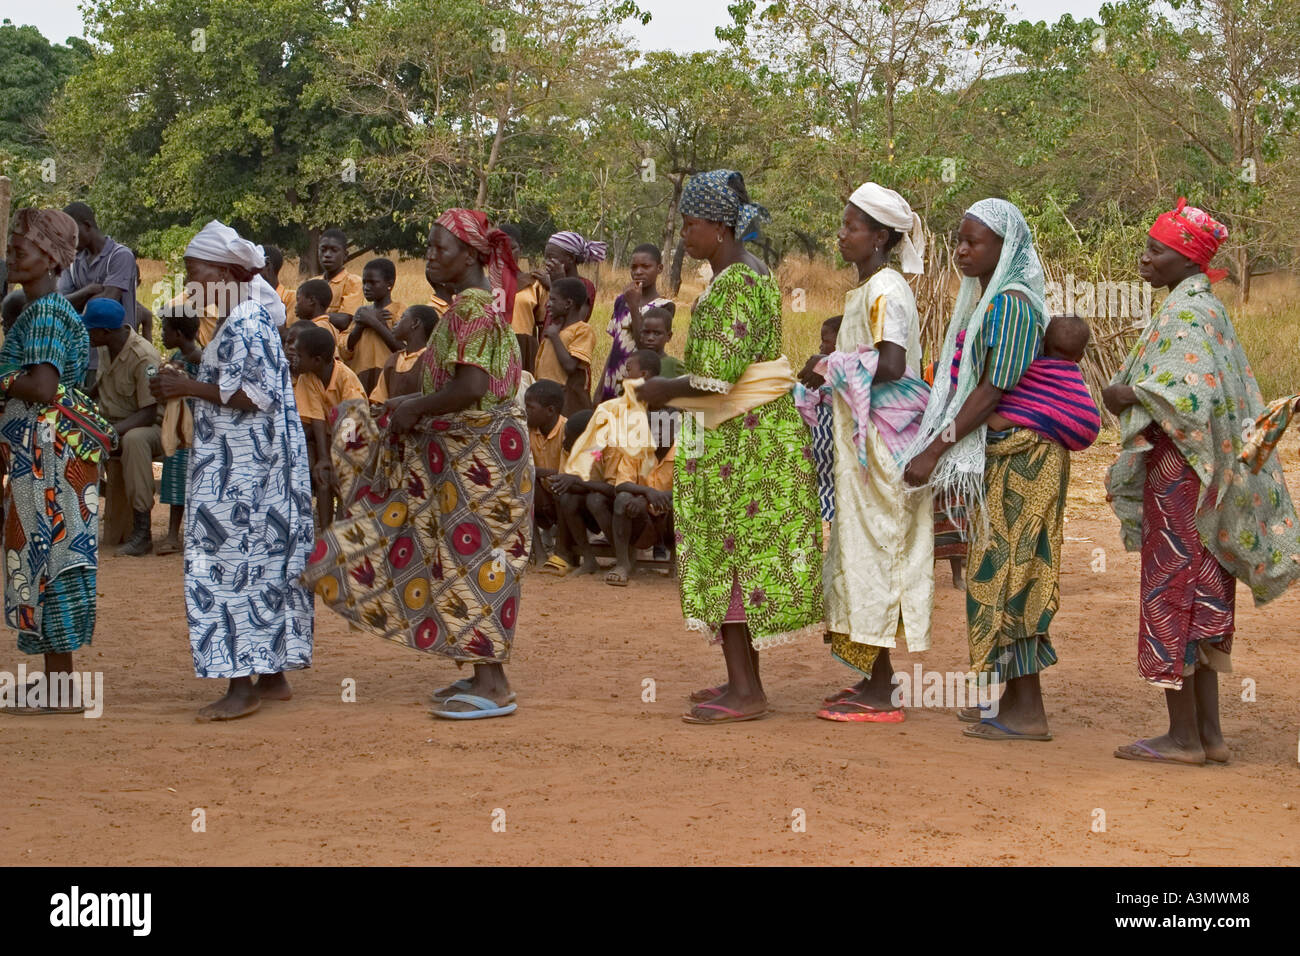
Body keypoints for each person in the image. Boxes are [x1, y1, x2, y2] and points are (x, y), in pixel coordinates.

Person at [302, 208, 530, 721]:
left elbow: (470, 388)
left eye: (440, 248)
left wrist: (414, 408)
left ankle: (494, 687)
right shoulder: (472, 308)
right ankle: (479, 671)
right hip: (477, 456)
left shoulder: (471, 310)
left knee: (475, 559)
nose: (429, 256)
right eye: (429, 246)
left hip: (482, 460)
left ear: (470, 256)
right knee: (462, 557)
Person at [1103, 199, 1300, 765]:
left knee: (1175, 594)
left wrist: (1127, 394)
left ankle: (1183, 739)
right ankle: (1210, 736)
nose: (1146, 258)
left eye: (1157, 250)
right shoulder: (1204, 308)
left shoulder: (1186, 314)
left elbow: (1188, 396)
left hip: (1184, 479)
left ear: (1186, 258)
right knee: (1204, 594)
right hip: (1207, 484)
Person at [636, 169, 823, 725]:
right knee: (732, 555)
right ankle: (742, 679)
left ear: (718, 227)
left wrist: (660, 388)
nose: (684, 235)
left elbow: (714, 378)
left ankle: (746, 691)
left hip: (743, 446)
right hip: (743, 437)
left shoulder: (737, 282)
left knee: (731, 557)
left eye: (691, 225)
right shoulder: (746, 276)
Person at [903, 198, 1058, 742]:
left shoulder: (1011, 306)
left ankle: (1029, 712)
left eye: (975, 242)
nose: (963, 251)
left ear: (1004, 246)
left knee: (1016, 575)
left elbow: (993, 390)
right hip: (1005, 452)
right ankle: (1012, 698)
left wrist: (933, 451)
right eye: (958, 241)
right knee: (998, 570)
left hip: (1026, 456)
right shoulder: (987, 301)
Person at [148, 220, 314, 721]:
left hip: (240, 472)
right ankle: (273, 676)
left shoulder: (244, 320)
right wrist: (196, 377)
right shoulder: (248, 317)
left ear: (223, 270)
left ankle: (240, 687)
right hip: (257, 468)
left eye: (194, 270)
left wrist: (187, 389)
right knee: (266, 562)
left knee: (227, 566)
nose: (190, 280)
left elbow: (253, 395)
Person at [797, 183, 933, 723]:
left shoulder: (886, 290)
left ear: (880, 236)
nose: (842, 234)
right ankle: (875, 679)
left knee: (878, 557)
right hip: (864, 450)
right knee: (859, 557)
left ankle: (883, 693)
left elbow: (894, 365)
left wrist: (826, 366)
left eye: (852, 226)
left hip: (883, 449)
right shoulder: (869, 289)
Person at [0, 208, 100, 714]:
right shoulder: (46, 309)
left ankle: (62, 690)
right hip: (45, 457)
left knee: (50, 561)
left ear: (52, 257)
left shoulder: (43, 314)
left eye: (23, 247)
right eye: (13, 244)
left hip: (48, 461)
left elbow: (41, 388)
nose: (12, 252)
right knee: (45, 561)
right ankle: (54, 683)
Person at [85, 297, 164, 557]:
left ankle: (143, 532)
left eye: (90, 330)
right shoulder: (107, 346)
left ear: (105, 331)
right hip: (115, 422)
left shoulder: (143, 357)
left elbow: (148, 414)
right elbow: (105, 380)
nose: (87, 334)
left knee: (135, 441)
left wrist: (107, 432)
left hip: (151, 427)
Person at [607, 350, 675, 587]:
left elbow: (697, 489)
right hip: (643, 516)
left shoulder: (688, 448)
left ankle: (679, 563)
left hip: (669, 517)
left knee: (687, 503)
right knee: (623, 498)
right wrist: (647, 495)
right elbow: (621, 483)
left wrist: (660, 497)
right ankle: (623, 563)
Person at [983, 314, 1100, 449]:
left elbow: (1015, 391)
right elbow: (1087, 422)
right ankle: (1021, 418)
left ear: (1042, 343)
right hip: (1080, 429)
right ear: (1080, 357)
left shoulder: (1025, 367)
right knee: (1043, 411)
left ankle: (1011, 419)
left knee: (1038, 410)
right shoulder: (1071, 383)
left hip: (1005, 432)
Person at [294, 323, 368, 528]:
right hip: (330, 435)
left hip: (355, 438)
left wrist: (340, 460)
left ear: (316, 360)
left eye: (299, 356)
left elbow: (353, 423)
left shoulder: (346, 378)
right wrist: (324, 459)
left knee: (344, 480)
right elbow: (316, 418)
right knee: (323, 477)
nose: (295, 359)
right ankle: (325, 532)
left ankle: (345, 530)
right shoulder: (307, 377)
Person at [59, 202, 139, 388]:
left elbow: (103, 307)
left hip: (118, 357)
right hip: (79, 358)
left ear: (86, 226)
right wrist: (88, 291)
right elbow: (59, 304)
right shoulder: (72, 261)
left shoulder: (121, 256)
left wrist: (77, 301)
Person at [595, 243, 675, 402]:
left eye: (645, 266)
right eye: (634, 267)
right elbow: (615, 347)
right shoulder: (621, 301)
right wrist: (600, 389)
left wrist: (633, 306)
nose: (638, 272)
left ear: (659, 269)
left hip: (639, 380)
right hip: (614, 377)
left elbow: (645, 345)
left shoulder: (664, 306)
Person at [544, 409, 617, 576]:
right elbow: (568, 480)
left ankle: (623, 558)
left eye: (570, 437)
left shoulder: (611, 447)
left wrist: (577, 481)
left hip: (611, 506)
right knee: (566, 498)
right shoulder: (569, 448)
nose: (565, 441)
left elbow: (614, 489)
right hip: (586, 500)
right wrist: (561, 482)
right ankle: (588, 559)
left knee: (595, 500)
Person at [156, 310, 203, 556]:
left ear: (177, 333)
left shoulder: (198, 357)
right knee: (174, 475)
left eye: (165, 330)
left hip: (197, 429)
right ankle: (173, 534)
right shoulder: (177, 356)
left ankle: (185, 534)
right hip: (179, 428)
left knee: (195, 481)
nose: (162, 335)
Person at [795, 315, 842, 523]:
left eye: (826, 341)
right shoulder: (818, 374)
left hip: (836, 459)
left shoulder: (845, 373)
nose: (821, 346)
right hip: (824, 466)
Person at [344, 257, 405, 394]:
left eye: (373, 283)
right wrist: (360, 325)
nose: (366, 287)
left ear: (390, 284)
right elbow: (345, 348)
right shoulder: (361, 313)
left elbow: (404, 348)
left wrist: (375, 323)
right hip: (360, 379)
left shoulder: (399, 311)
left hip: (388, 378)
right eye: (364, 282)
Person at [536, 276, 595, 416]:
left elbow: (570, 366)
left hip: (566, 400)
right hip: (546, 395)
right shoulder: (555, 329)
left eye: (553, 300)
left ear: (568, 303)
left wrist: (555, 337)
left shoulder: (582, 330)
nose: (547, 304)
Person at [526, 379, 568, 556]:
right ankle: (538, 551)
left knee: (564, 490)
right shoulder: (526, 430)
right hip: (540, 490)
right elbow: (520, 469)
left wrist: (535, 472)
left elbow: (570, 474)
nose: (525, 412)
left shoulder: (568, 429)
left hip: (562, 489)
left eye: (530, 408)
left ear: (550, 411)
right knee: (523, 489)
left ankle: (563, 551)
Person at [369, 305, 439, 404]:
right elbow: (379, 400)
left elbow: (434, 395)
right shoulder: (393, 360)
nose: (396, 322)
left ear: (415, 323)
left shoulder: (432, 359)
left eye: (402, 317)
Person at [500, 222, 545, 373]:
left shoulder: (534, 282)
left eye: (512, 248)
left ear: (521, 249)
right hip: (495, 347)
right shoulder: (486, 284)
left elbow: (543, 326)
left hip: (525, 349)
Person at [635, 307, 683, 379]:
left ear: (669, 336)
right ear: (641, 334)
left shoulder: (674, 366)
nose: (650, 338)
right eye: (646, 332)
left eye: (657, 333)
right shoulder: (634, 364)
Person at [294, 279, 338, 349]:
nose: (296, 306)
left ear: (311, 300)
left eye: (298, 300)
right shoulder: (333, 328)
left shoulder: (313, 329)